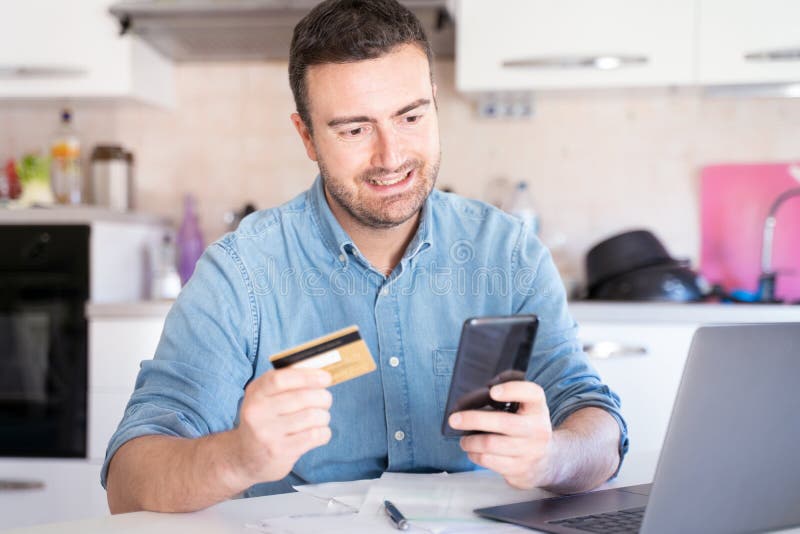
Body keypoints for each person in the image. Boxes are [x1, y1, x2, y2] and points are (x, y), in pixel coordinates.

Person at [104, 0, 628, 514]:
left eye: (410, 116)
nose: (391, 156)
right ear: (306, 136)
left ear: (434, 104)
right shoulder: (241, 273)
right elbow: (129, 481)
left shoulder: (508, 253)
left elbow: (596, 425)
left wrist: (552, 456)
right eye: (354, 129)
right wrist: (237, 458)